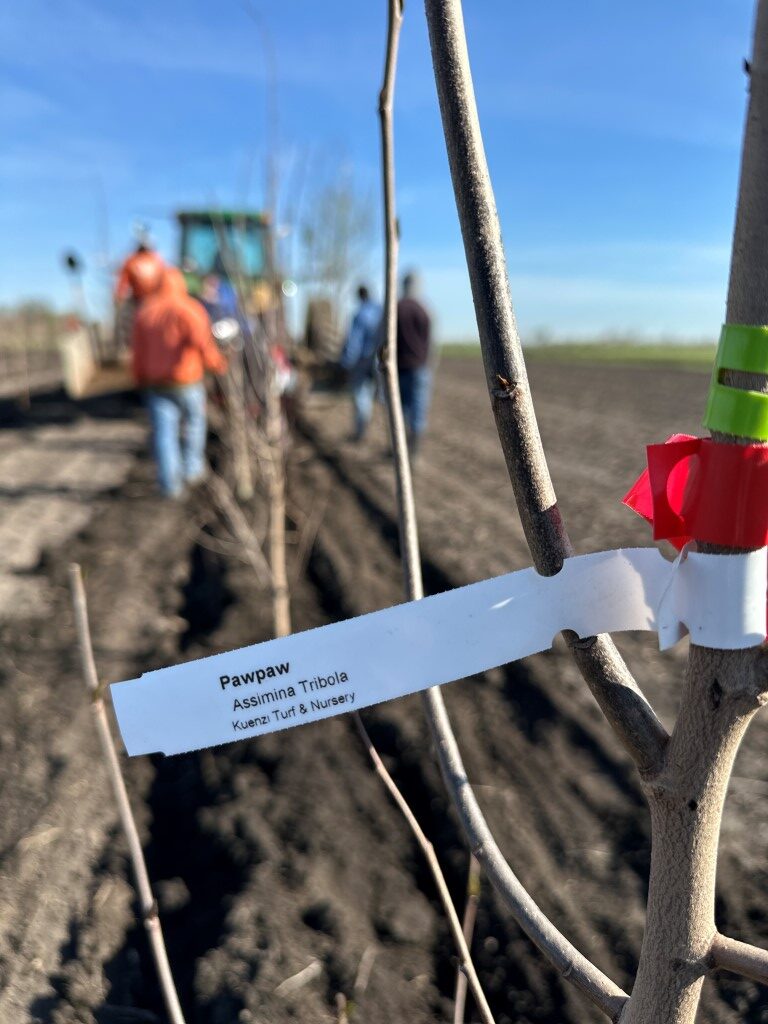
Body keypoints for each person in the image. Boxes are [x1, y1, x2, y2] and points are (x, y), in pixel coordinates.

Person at [131, 267, 228, 497]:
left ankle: (170, 485)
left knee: (165, 433)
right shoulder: (189, 309)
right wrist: (218, 364)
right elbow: (202, 343)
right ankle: (192, 470)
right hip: (187, 381)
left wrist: (139, 377)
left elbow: (137, 353)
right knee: (195, 423)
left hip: (157, 385)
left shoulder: (145, 312)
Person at [339, 285, 382, 441]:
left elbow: (354, 342)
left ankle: (360, 431)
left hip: (363, 362)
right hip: (381, 361)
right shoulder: (381, 310)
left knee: (361, 395)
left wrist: (345, 364)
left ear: (359, 297)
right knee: (381, 397)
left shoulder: (359, 315)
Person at [396, 272, 432, 454]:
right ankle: (413, 451)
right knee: (418, 411)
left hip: (399, 369)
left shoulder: (396, 308)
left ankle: (401, 448)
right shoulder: (424, 310)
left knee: (400, 411)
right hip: (419, 368)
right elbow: (431, 344)